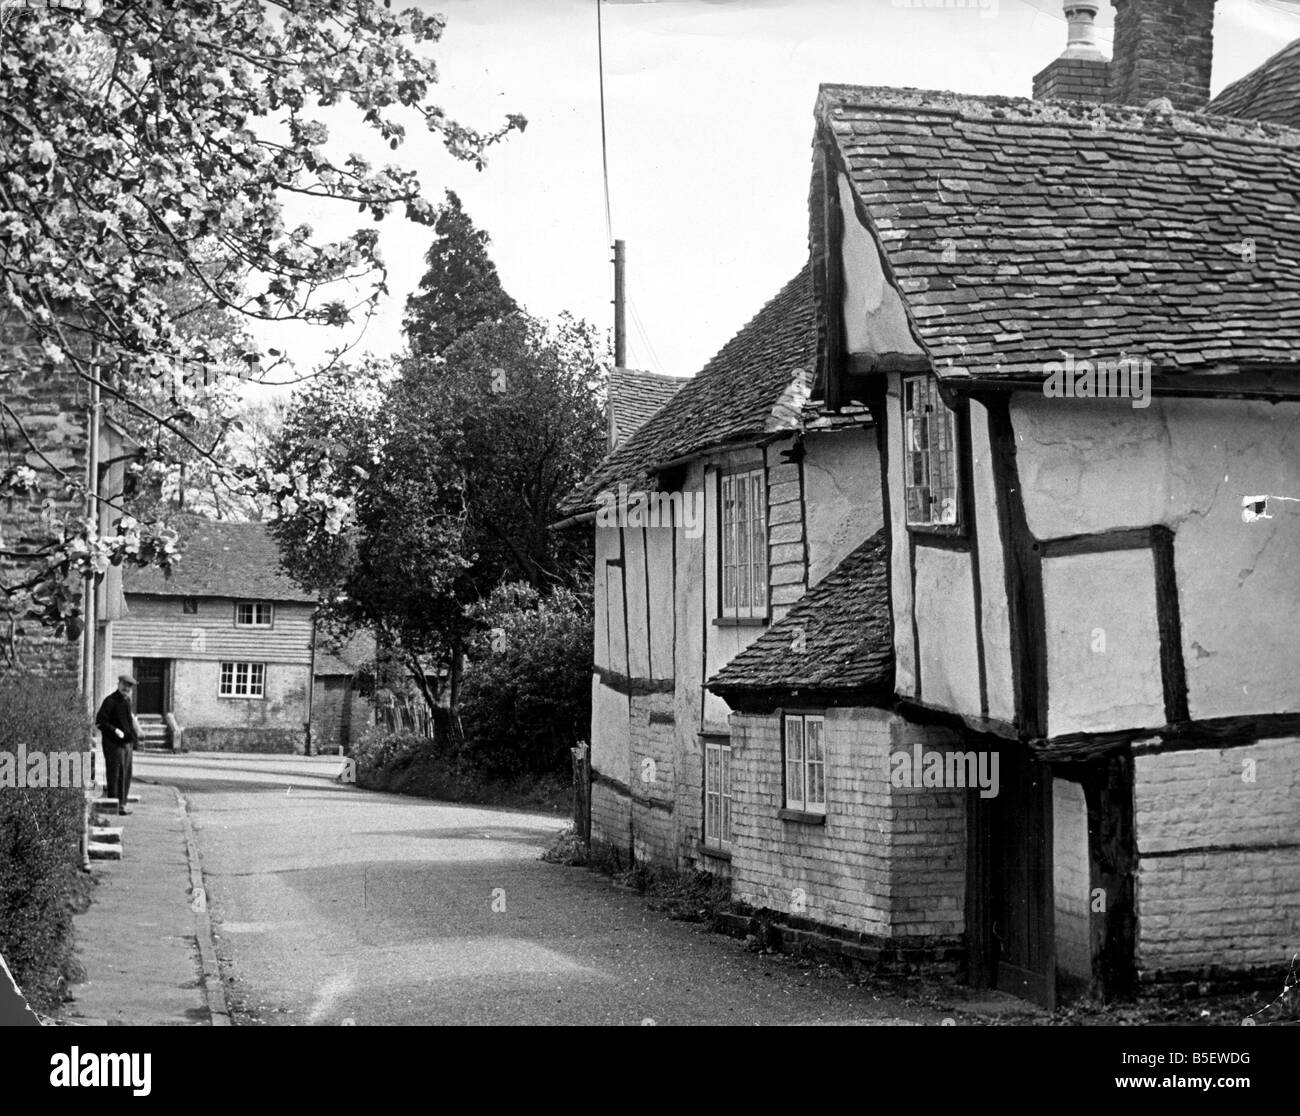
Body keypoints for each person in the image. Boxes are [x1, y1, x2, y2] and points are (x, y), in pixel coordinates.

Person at [94, 673, 137, 816]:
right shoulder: (110, 701)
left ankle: (122, 804)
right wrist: (114, 730)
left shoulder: (127, 701)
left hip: (126, 744)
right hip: (113, 744)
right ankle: (114, 804)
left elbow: (128, 720)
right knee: (115, 773)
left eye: (129, 686)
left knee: (126, 774)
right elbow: (100, 721)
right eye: (125, 685)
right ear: (119, 684)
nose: (127, 688)